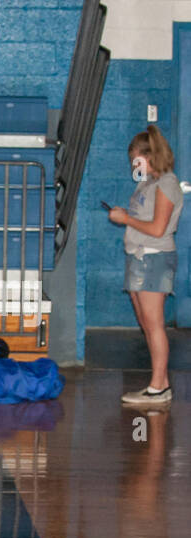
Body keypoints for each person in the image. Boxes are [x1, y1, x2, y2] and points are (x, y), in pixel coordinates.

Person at [108, 124, 182, 406]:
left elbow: (158, 229)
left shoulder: (167, 184)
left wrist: (126, 219)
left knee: (154, 324)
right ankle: (159, 384)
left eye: (136, 159)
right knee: (146, 324)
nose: (133, 164)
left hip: (154, 258)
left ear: (149, 156)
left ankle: (158, 388)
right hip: (139, 257)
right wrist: (125, 215)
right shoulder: (148, 183)